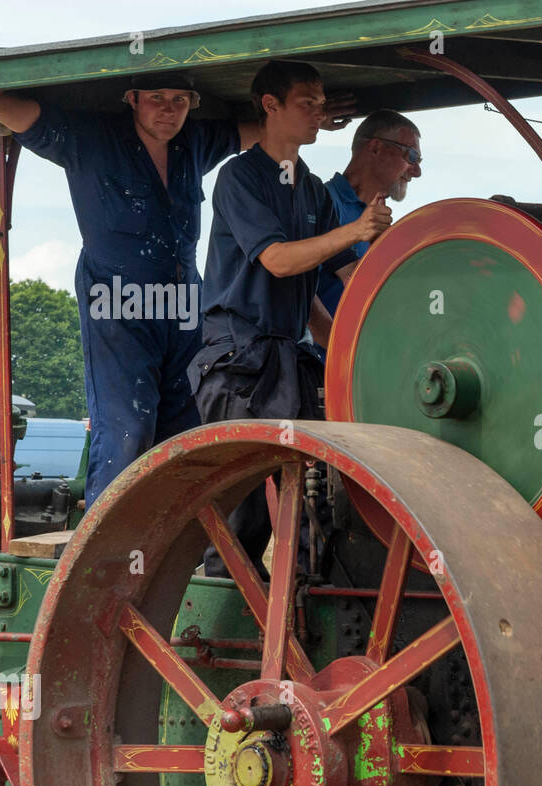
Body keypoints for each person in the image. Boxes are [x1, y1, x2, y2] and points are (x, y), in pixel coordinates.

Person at [0, 75, 353, 507]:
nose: (168, 110)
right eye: (156, 99)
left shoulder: (196, 142)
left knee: (186, 430)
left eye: (179, 100)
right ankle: (109, 553)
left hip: (185, 305)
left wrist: (310, 115)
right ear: (132, 100)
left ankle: (172, 548)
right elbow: (7, 106)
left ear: (192, 104)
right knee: (128, 428)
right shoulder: (88, 138)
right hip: (116, 304)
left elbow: (263, 131)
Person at [191, 61, 391, 577]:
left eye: (323, 104)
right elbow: (279, 260)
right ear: (270, 105)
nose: (319, 113)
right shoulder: (239, 176)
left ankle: (302, 618)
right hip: (240, 365)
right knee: (243, 518)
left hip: (288, 360)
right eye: (309, 102)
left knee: (310, 512)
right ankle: (227, 627)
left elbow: (339, 282)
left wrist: (361, 355)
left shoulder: (313, 191)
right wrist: (356, 230)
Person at [315, 109, 421, 320]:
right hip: (323, 351)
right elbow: (297, 293)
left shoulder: (379, 221)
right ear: (375, 147)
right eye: (412, 156)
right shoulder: (322, 203)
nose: (417, 171)